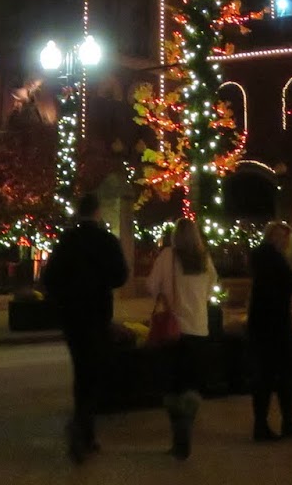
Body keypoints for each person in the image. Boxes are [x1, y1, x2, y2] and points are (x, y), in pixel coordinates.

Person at [41, 193, 129, 463]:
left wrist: (64, 297)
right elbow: (121, 276)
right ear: (98, 211)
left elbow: (49, 277)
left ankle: (83, 428)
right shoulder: (106, 241)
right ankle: (83, 429)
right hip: (97, 314)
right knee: (94, 371)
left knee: (81, 369)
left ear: (79, 212)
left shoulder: (67, 240)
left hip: (72, 316)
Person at [146, 216, 218, 460]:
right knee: (191, 385)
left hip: (174, 331)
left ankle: (178, 435)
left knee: (172, 387)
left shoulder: (168, 256)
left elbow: (151, 286)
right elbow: (211, 287)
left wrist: (165, 293)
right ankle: (188, 420)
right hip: (199, 329)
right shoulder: (204, 258)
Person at [247, 221, 292, 441]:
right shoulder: (272, 258)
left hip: (263, 322)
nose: (285, 241)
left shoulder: (262, 257)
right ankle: (279, 423)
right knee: (279, 373)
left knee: (268, 374)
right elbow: (280, 284)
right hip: (274, 322)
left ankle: (267, 423)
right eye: (282, 237)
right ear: (273, 237)